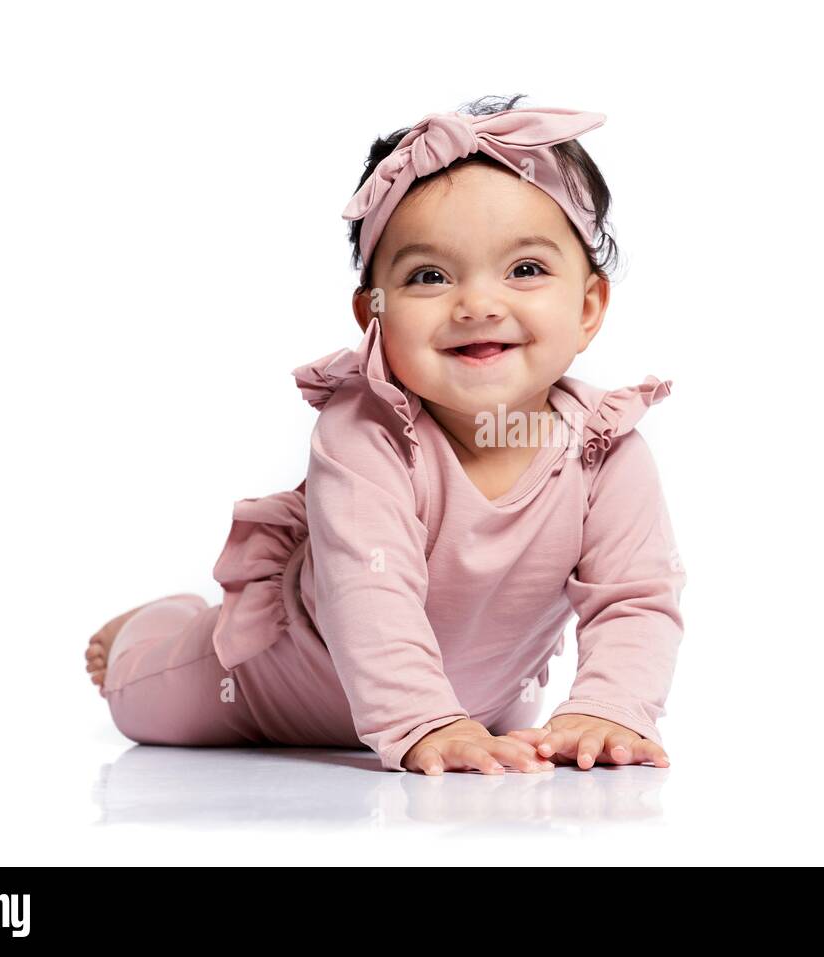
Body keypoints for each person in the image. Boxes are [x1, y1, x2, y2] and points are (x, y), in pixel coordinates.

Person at [85, 94, 687, 774]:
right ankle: (154, 623)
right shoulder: (365, 435)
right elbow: (368, 592)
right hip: (274, 685)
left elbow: (635, 597)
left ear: (587, 307)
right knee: (145, 702)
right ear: (372, 316)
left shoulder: (605, 454)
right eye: (429, 276)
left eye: (525, 269)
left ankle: (445, 715)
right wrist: (425, 719)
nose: (479, 304)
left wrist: (608, 710)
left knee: (502, 732)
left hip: (478, 708)